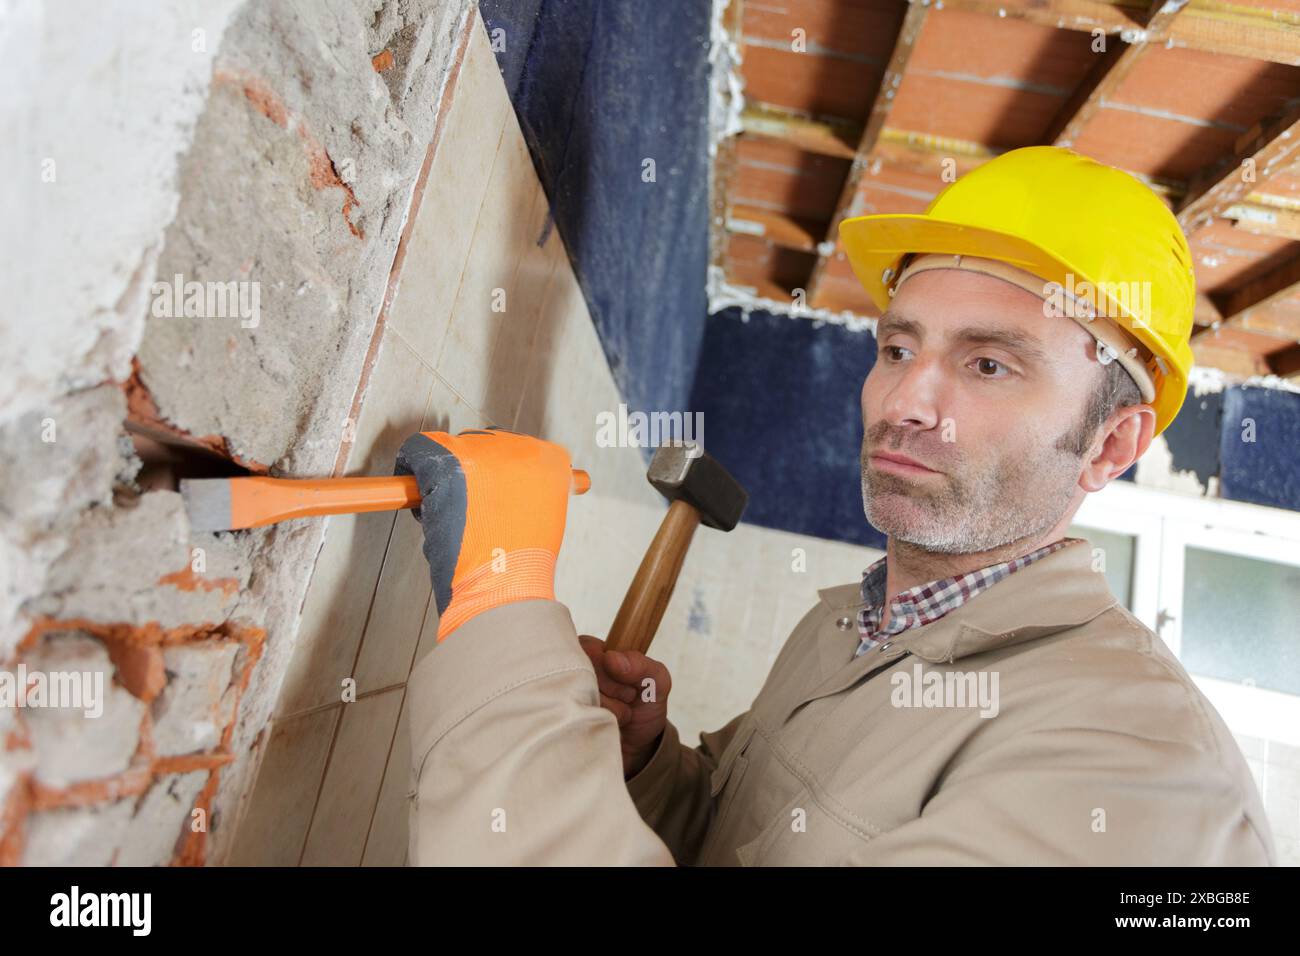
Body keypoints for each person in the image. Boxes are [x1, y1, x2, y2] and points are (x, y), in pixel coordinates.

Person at [395, 146, 1275, 865]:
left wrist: (498, 606)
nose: (904, 402)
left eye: (989, 365)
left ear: (1111, 446)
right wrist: (651, 767)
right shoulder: (848, 627)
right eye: (898, 347)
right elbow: (737, 842)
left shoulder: (1144, 771)